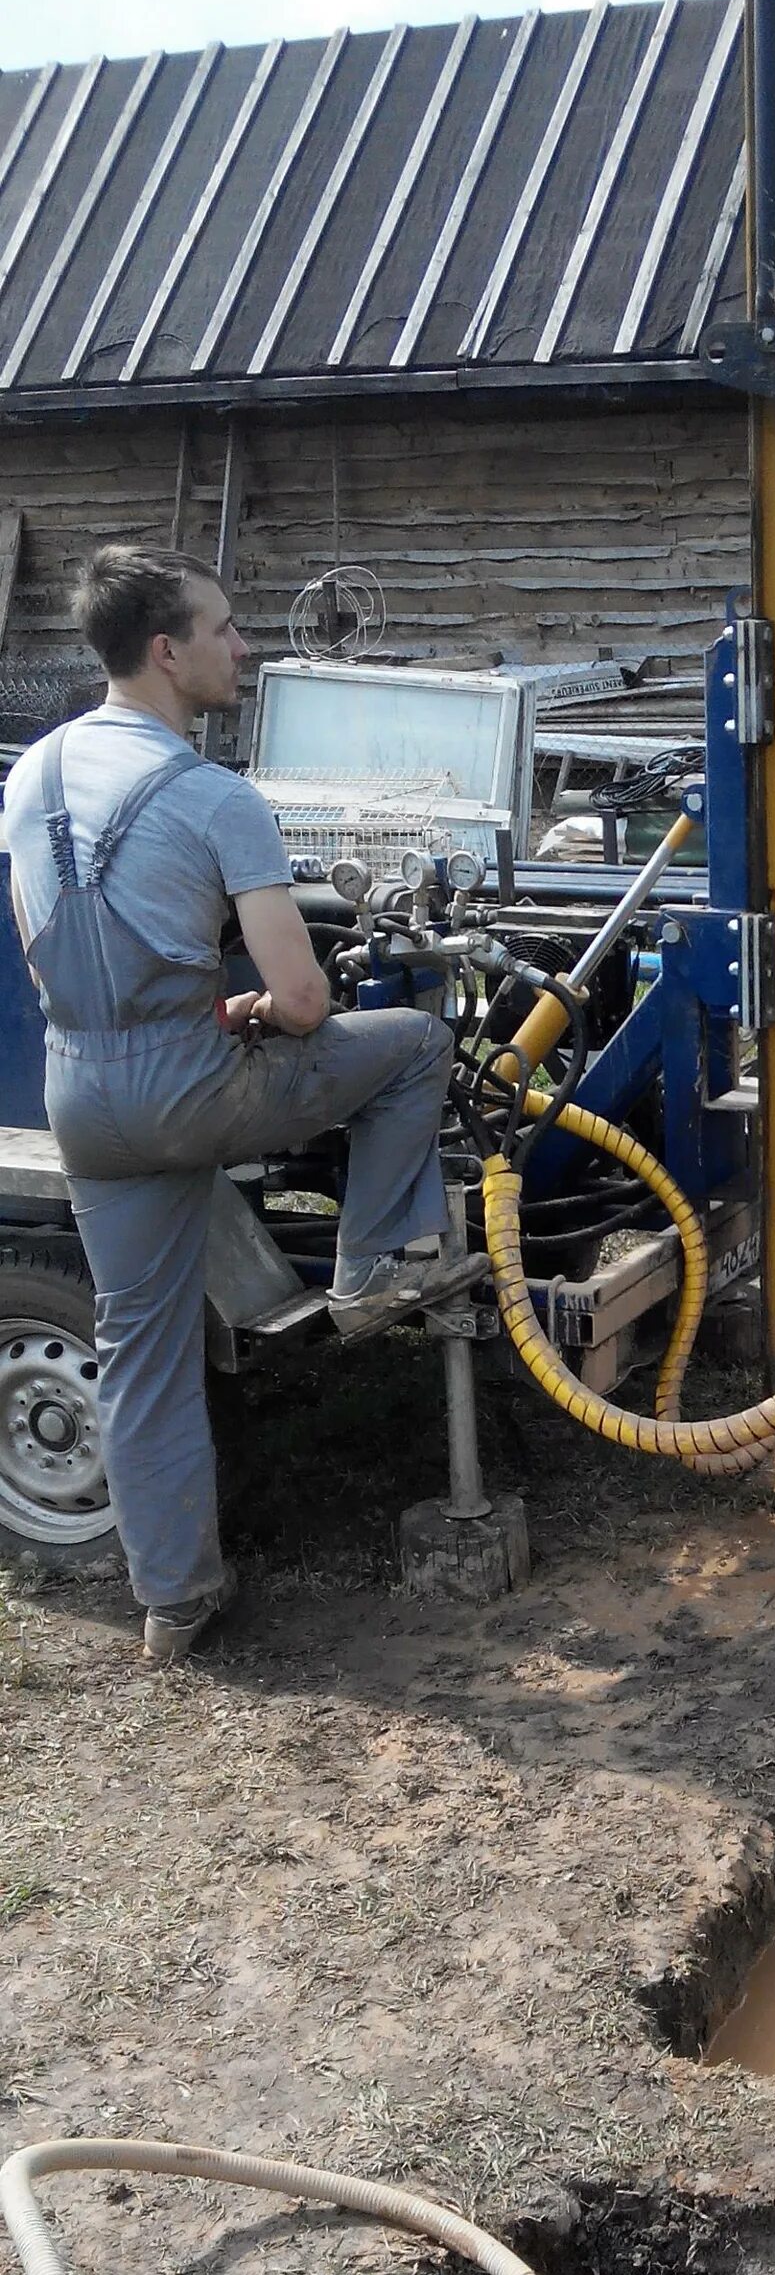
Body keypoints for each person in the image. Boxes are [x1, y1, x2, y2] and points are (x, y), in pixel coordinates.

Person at [2, 545, 484, 1665]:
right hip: (190, 1085)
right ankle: (373, 1268)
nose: (243, 646)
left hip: (78, 1091)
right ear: (166, 653)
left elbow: (41, 935)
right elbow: (310, 999)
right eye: (223, 629)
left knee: (139, 1348)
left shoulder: (32, 772)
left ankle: (175, 1603)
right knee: (415, 1043)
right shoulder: (217, 798)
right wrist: (259, 1009)